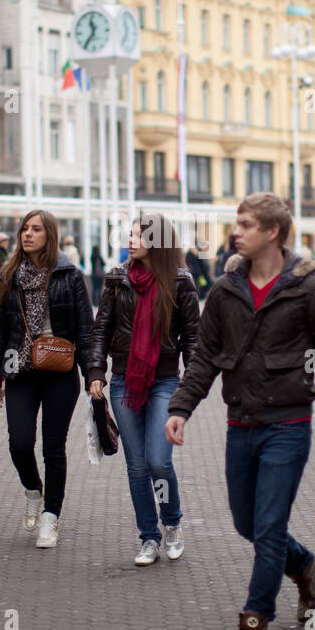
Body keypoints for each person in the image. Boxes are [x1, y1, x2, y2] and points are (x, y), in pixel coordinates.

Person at [165, 193, 315, 630]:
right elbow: (207, 354)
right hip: (240, 423)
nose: (237, 232)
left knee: (268, 529)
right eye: (237, 224)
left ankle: (253, 624)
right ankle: (307, 567)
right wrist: (181, 407)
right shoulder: (228, 288)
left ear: (273, 232)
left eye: (247, 225)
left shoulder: (309, 289)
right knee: (245, 522)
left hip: (289, 423)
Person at [88, 214, 199, 566]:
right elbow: (101, 330)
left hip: (164, 381)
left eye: (139, 236)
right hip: (123, 381)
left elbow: (193, 341)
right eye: (131, 235)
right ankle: (148, 537)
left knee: (157, 461)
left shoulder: (181, 282)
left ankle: (172, 524)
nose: (131, 241)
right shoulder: (117, 280)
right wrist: (95, 371)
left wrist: (190, 389)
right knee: (136, 466)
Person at [0, 210, 93, 549]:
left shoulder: (69, 275)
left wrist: (94, 376)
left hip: (60, 373)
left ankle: (51, 517)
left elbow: (86, 331)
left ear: (50, 235)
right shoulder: (8, 276)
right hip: (21, 372)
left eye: (36, 229)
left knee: (53, 447)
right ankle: (33, 490)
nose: (27, 235)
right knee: (19, 442)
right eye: (24, 229)